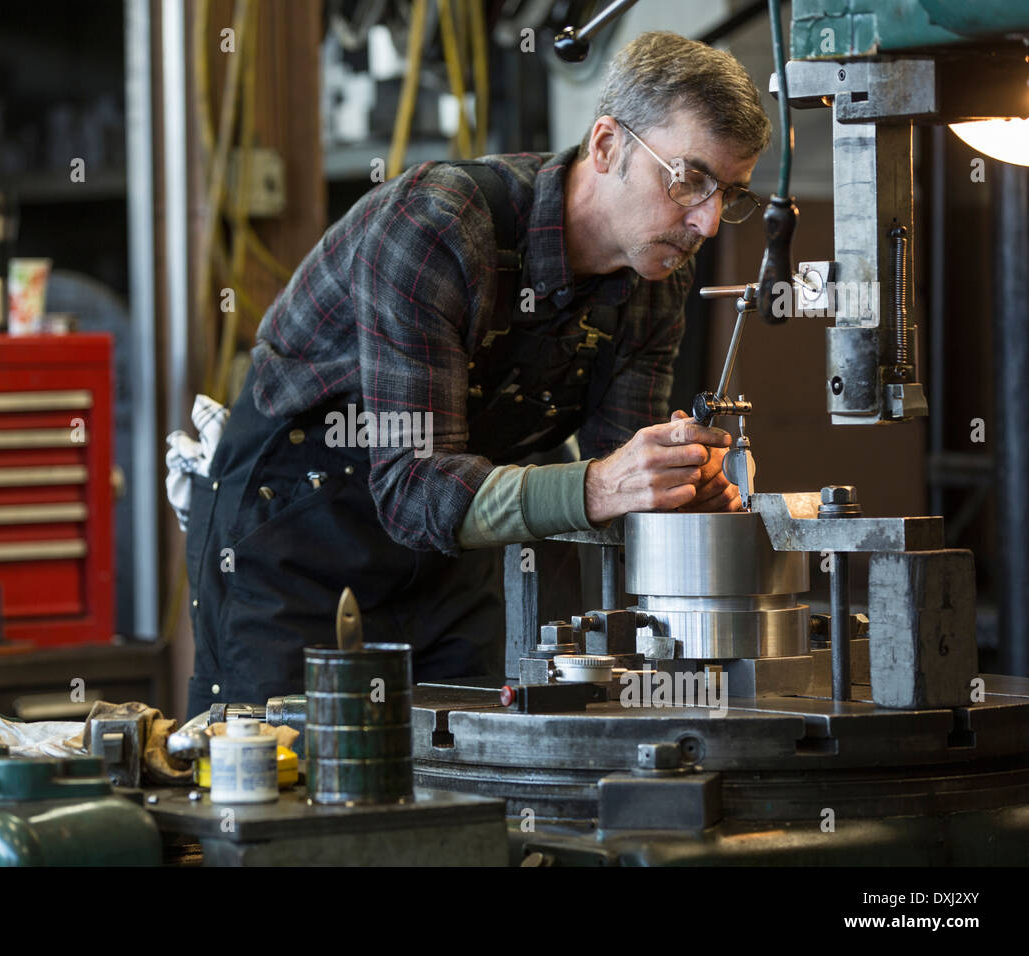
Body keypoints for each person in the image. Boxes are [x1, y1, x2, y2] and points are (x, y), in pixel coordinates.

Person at [180, 30, 772, 718]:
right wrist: (605, 482)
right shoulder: (436, 225)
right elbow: (411, 487)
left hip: (452, 554)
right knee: (284, 783)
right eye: (690, 179)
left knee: (472, 777)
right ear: (607, 145)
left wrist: (678, 485)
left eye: (731, 194)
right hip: (297, 542)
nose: (708, 221)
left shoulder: (653, 280)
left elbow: (620, 487)